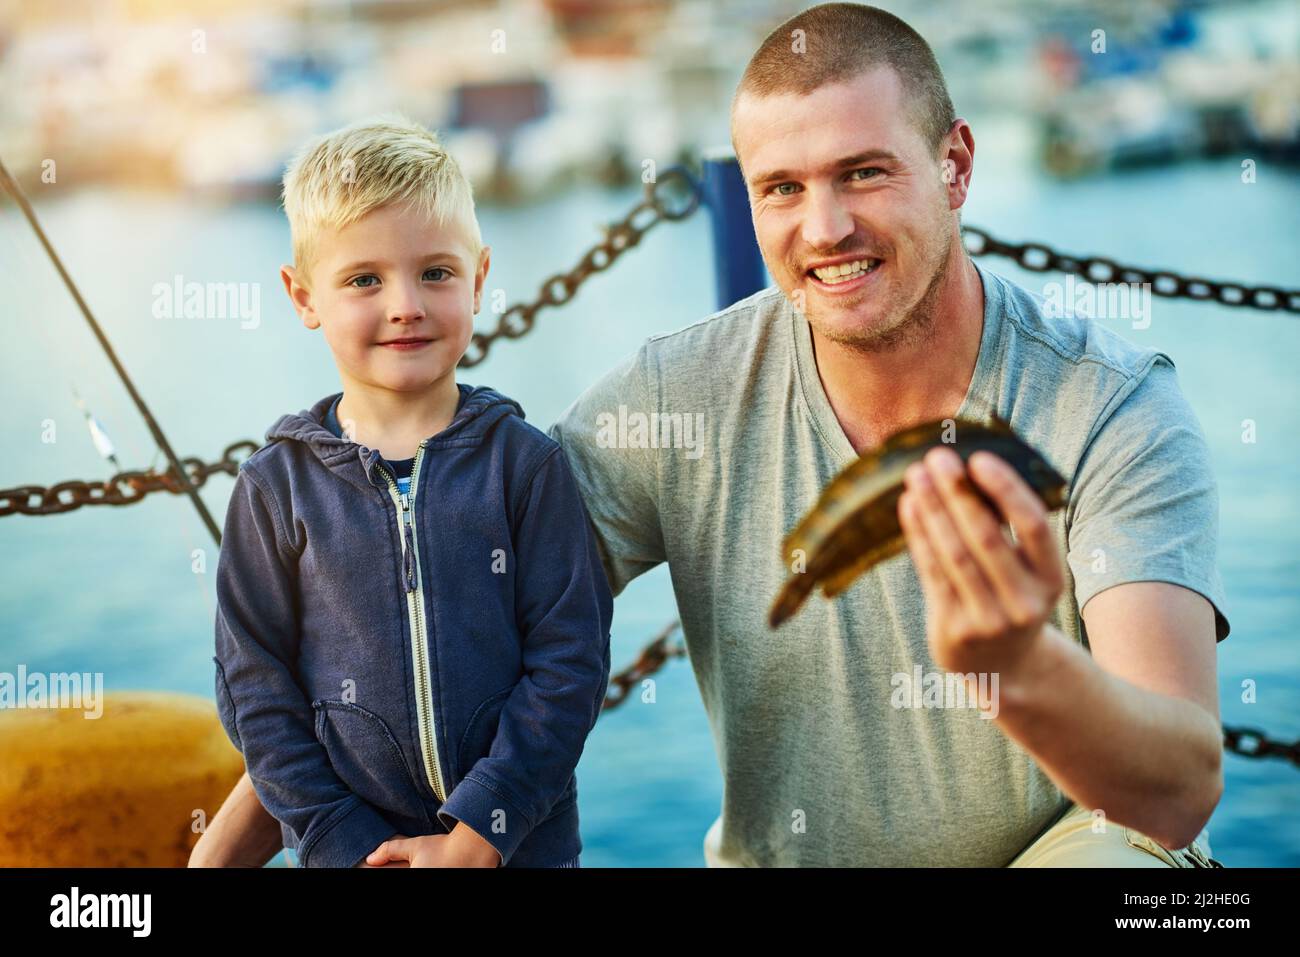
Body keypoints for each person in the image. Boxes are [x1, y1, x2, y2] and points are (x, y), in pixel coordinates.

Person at [192, 3, 1229, 869]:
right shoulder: (678, 395)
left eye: (862, 172)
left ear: (953, 164)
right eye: (780, 188)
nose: (823, 227)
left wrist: (1021, 666)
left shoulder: (1107, 407)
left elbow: (1176, 795)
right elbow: (435, 611)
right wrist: (225, 856)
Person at [204, 115, 612, 868]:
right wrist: (342, 840)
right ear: (303, 296)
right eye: (364, 279)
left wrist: (482, 831)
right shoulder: (275, 489)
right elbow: (256, 693)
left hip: (518, 848)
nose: (405, 304)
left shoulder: (525, 467)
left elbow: (570, 662)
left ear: (479, 279)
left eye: (436, 273)